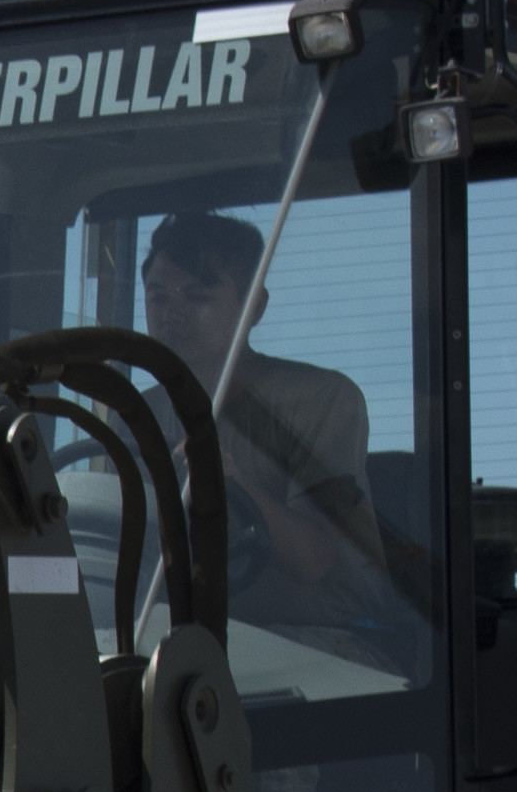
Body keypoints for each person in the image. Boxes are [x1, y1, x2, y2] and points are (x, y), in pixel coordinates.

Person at [136, 209, 389, 614]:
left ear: (254, 307)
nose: (171, 314)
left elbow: (312, 560)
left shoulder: (324, 400)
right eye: (158, 297)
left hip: (328, 644)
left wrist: (229, 480)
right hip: (189, 637)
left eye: (198, 296)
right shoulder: (134, 415)